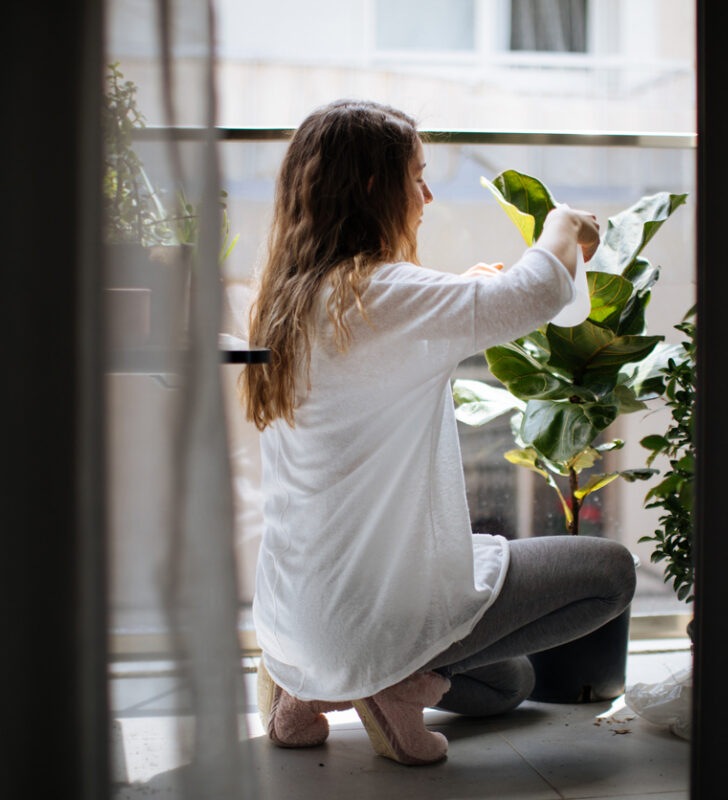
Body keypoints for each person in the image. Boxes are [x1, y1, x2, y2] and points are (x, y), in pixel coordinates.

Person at [241, 100, 635, 766]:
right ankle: (379, 679)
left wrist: (456, 293)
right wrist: (563, 225)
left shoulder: (286, 298)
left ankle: (315, 690)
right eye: (416, 177)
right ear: (373, 188)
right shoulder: (383, 292)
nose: (425, 196)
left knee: (509, 685)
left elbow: (373, 351)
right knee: (612, 572)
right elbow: (538, 294)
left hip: (293, 617)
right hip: (366, 615)